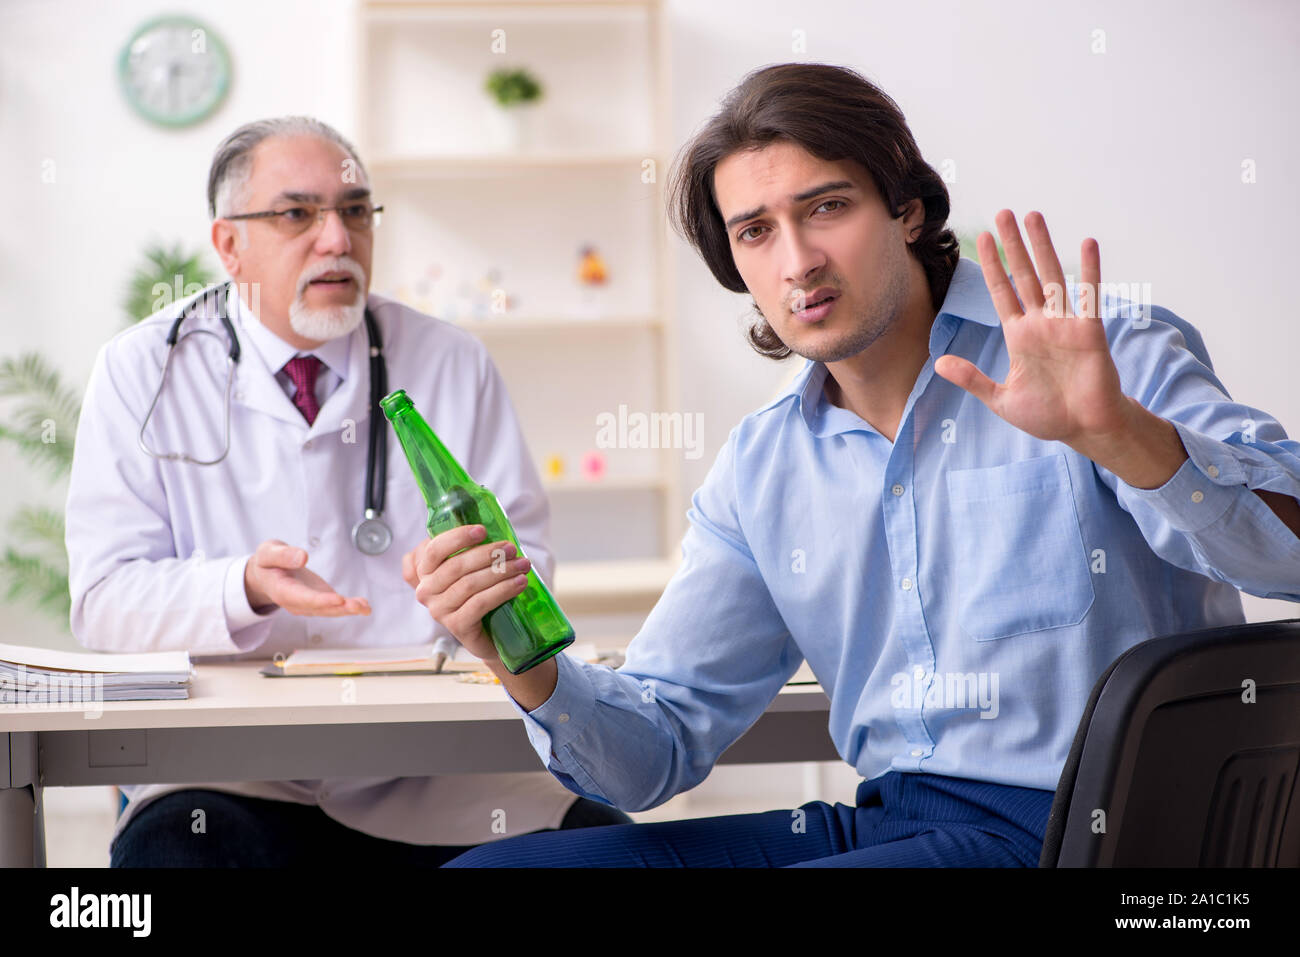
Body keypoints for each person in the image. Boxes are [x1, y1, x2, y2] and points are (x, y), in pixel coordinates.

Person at [418, 63, 1300, 868]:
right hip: (893, 823)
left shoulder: (1099, 359)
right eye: (756, 231)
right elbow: (652, 752)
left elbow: (1289, 559)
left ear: (907, 209)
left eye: (826, 208)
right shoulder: (765, 466)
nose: (797, 261)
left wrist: (1122, 437)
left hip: (1095, 834)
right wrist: (521, 657)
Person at [65, 115, 630, 868]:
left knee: (608, 850)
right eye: (298, 213)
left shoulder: (451, 361)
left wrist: (469, 586)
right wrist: (240, 587)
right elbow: (103, 600)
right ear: (229, 244)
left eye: (356, 211)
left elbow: (530, 567)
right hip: (232, 774)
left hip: (440, 770)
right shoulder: (140, 370)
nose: (337, 238)